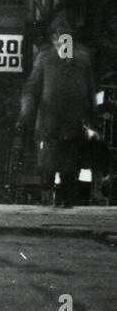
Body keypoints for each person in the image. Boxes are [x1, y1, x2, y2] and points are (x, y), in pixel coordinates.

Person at [17, 16, 96, 207]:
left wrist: (25, 114)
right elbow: (90, 91)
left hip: (52, 122)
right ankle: (63, 197)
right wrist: (92, 117)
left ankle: (53, 194)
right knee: (67, 160)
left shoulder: (46, 58)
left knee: (53, 160)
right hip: (69, 122)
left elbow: (32, 88)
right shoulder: (82, 58)